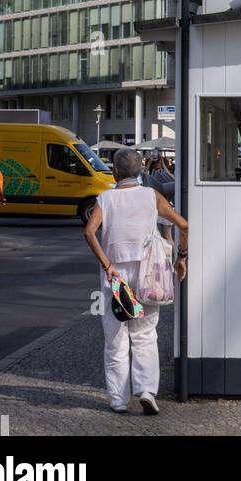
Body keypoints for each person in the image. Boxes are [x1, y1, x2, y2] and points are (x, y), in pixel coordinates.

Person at [84, 146, 188, 415]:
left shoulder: (105, 199)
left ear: (115, 171)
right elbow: (183, 225)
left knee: (116, 338)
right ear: (140, 170)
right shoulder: (152, 196)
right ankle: (146, 391)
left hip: (116, 278)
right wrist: (181, 258)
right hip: (147, 275)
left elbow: (89, 232)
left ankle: (118, 400)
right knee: (144, 335)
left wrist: (107, 265)